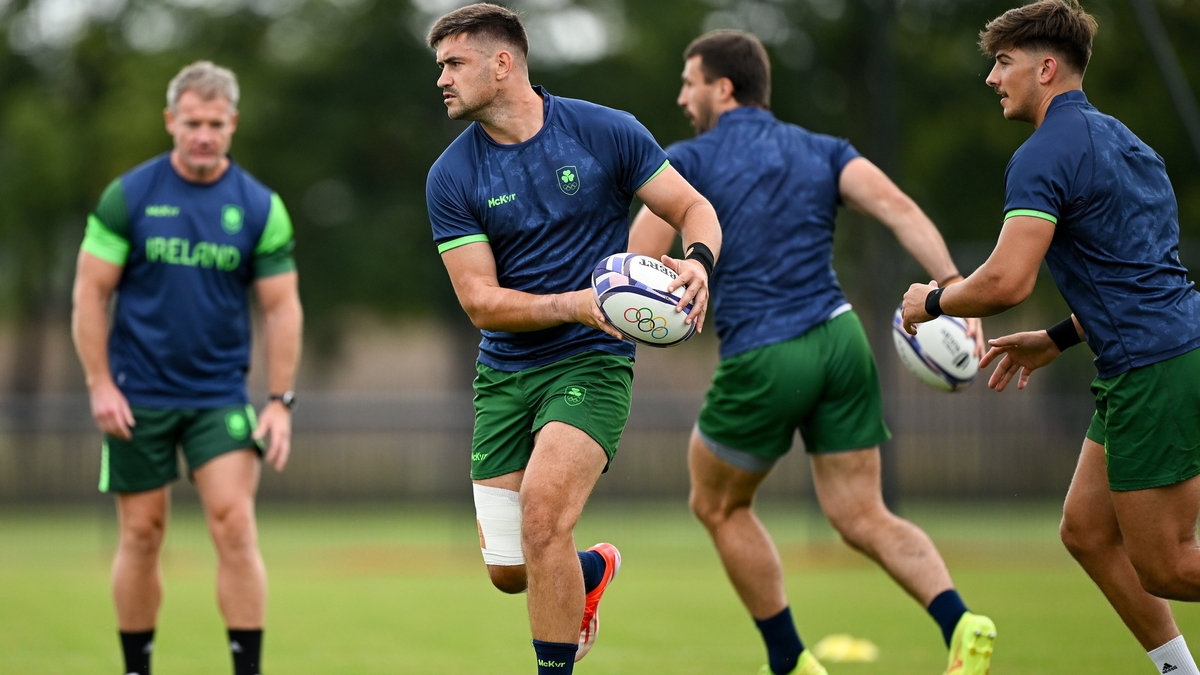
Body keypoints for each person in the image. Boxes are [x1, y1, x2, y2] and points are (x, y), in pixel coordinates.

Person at [629, 30, 996, 675]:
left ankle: (790, 661)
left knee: (716, 504)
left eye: (690, 83)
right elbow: (900, 209)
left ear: (723, 87)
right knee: (862, 514)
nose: (682, 96)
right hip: (841, 338)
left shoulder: (685, 162)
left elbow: (636, 264)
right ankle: (962, 621)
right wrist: (955, 295)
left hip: (767, 353)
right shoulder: (823, 150)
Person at [901, 1, 1200, 672]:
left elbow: (1006, 281)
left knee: (1170, 565)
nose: (992, 78)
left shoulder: (1043, 154)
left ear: (1045, 67)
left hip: (1156, 367)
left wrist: (933, 299)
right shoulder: (1131, 144)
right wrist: (1059, 337)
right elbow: (1135, 278)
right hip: (1159, 352)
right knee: (1087, 531)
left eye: (1002, 63)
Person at [424, 4, 722, 674]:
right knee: (510, 568)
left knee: (543, 518)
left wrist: (699, 259)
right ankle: (589, 572)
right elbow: (480, 301)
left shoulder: (604, 132)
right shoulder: (451, 175)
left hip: (592, 359)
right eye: (438, 66)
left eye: (453, 63)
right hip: (505, 371)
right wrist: (574, 302)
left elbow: (692, 207)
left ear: (503, 64)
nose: (440, 79)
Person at [71, 61, 302, 675]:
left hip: (218, 396)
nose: (204, 134)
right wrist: (98, 383)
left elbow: (281, 309)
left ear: (233, 125)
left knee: (234, 525)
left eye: (217, 124)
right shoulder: (129, 197)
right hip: (136, 396)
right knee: (142, 534)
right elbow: (89, 294)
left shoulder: (259, 207)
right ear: (171, 121)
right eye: (193, 122)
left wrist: (279, 401)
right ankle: (136, 668)